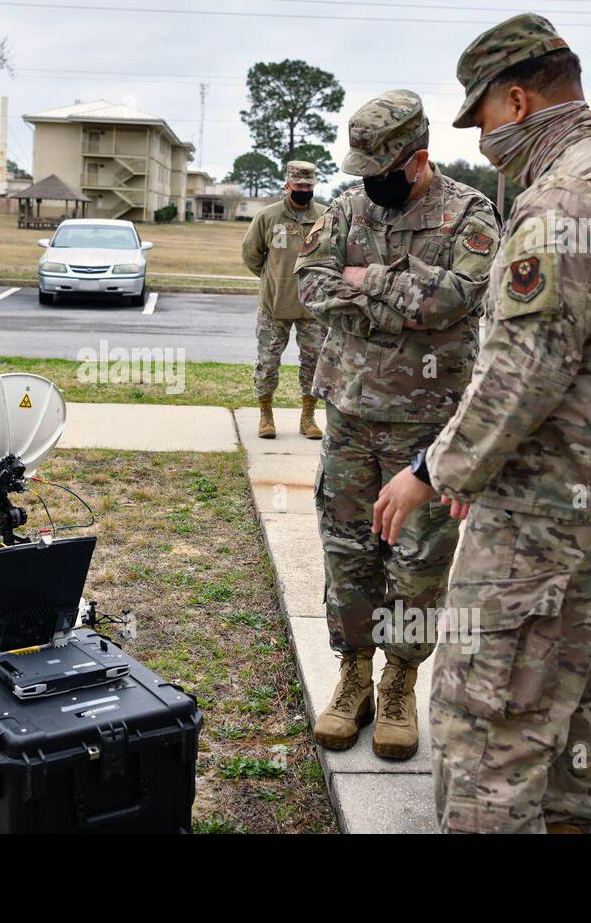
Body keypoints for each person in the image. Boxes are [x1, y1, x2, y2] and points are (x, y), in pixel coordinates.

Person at [372, 14, 591, 832]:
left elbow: (525, 367)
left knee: (490, 720)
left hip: (553, 507)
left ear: (517, 99)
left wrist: (437, 469)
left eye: (485, 122)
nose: (484, 144)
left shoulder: (565, 198)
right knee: (578, 702)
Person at [294, 90, 499, 760]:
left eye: (381, 169)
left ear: (417, 161)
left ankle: (399, 682)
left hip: (428, 430)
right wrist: (397, 300)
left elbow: (457, 300)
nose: (367, 181)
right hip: (350, 417)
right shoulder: (348, 207)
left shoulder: (469, 212)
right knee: (348, 555)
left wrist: (367, 281)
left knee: (417, 564)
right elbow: (312, 287)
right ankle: (352, 676)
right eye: (361, 169)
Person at [241, 160, 328, 439]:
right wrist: (273, 279)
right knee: (267, 363)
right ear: (287, 185)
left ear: (314, 186)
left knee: (314, 364)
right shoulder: (269, 216)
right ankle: (266, 415)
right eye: (298, 185)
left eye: (308, 185)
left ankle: (308, 417)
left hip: (312, 307)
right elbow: (251, 255)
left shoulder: (326, 216)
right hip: (274, 306)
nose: (303, 190)